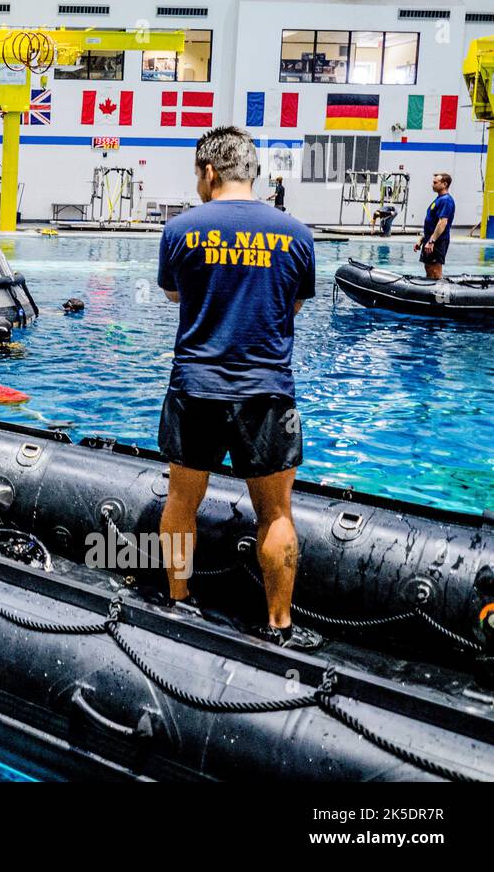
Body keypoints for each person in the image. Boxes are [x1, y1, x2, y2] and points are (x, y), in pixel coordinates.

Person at [156, 126, 320, 650]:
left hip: (197, 385)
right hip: (266, 391)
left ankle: (179, 603)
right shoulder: (297, 233)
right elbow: (293, 306)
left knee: (183, 499)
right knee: (275, 513)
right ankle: (279, 627)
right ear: (252, 171)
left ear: (209, 172)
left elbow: (173, 295)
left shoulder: (181, 229)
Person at [414, 173, 455, 280]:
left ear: (445, 184)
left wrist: (432, 241)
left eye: (435, 182)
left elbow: (442, 223)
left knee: (435, 271)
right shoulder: (439, 199)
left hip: (438, 241)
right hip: (429, 240)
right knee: (428, 268)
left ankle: (439, 295)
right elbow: (432, 222)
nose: (432, 185)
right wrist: (422, 239)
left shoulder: (446, 200)